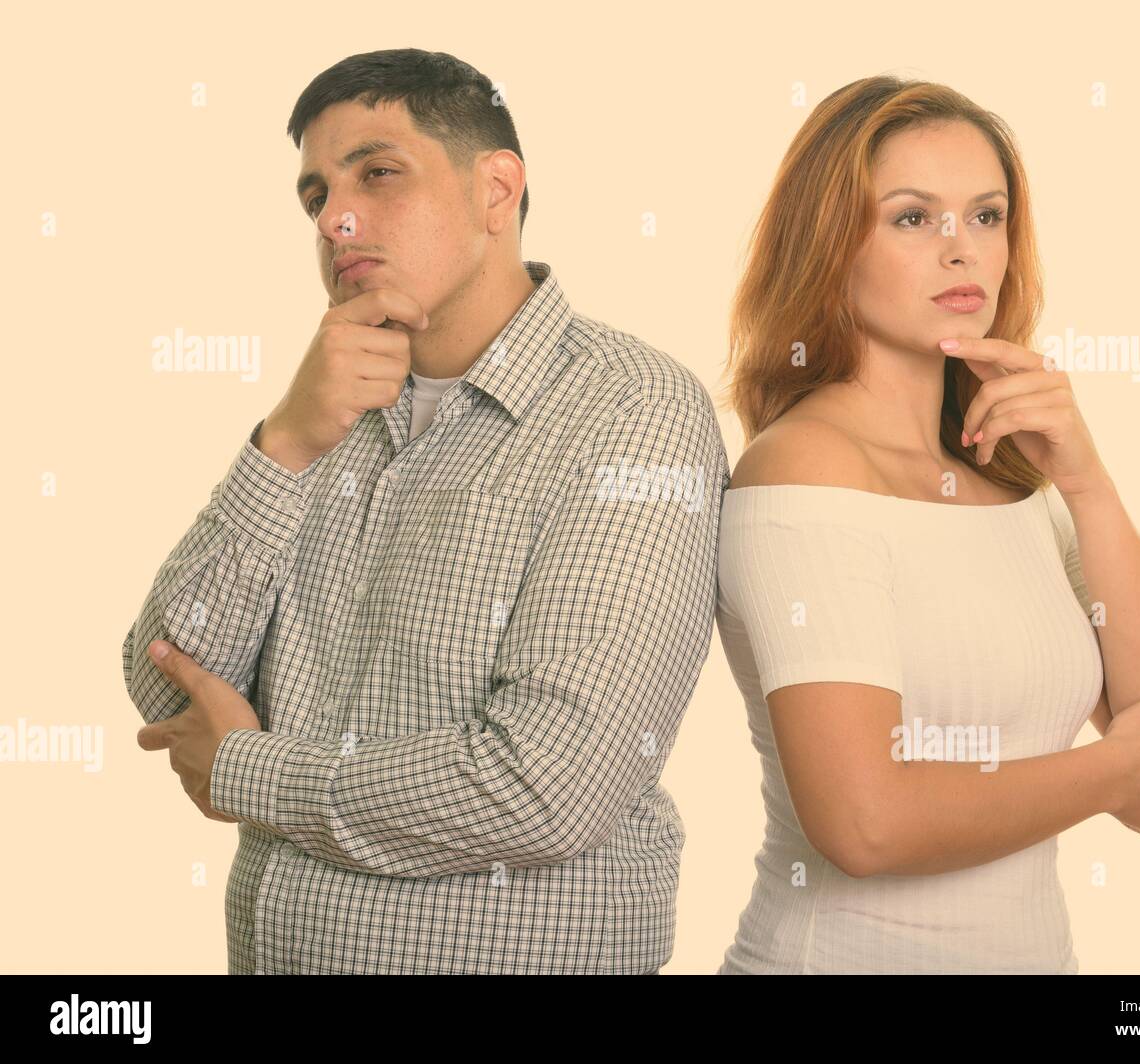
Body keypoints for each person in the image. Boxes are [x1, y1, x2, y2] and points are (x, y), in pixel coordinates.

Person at [123, 48, 728, 975]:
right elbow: (170, 692)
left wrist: (252, 772)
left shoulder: (633, 410)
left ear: (497, 190)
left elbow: (545, 785)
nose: (337, 218)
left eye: (378, 173)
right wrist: (283, 445)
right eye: (315, 195)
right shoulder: (322, 409)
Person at [713, 75, 1140, 974]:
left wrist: (1090, 486)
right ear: (831, 245)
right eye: (914, 218)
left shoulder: (1015, 477)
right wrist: (1110, 773)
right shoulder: (806, 471)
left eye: (986, 216)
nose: (964, 252)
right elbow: (864, 826)